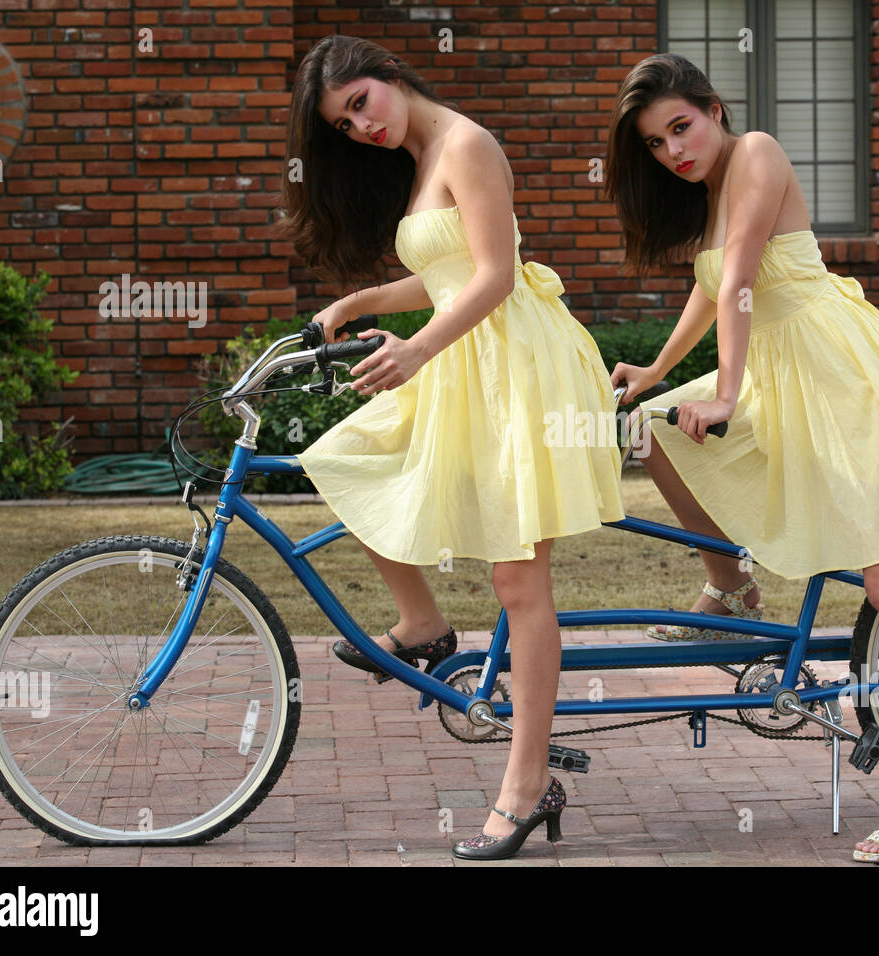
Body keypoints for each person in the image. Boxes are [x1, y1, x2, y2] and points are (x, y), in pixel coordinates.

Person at [605, 53, 879, 863]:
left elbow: (740, 278)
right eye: (657, 143)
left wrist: (728, 394)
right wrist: (662, 373)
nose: (674, 150)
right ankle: (731, 590)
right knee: (656, 428)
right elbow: (711, 287)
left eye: (681, 127)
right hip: (782, 370)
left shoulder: (759, 152)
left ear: (714, 108)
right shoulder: (710, 191)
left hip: (835, 371)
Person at [278, 35, 624, 860]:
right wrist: (361, 299)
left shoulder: (467, 144)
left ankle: (526, 782)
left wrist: (418, 348)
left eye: (361, 103)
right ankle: (424, 622)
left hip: (519, 366)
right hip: (467, 357)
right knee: (342, 461)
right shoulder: (426, 151)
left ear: (390, 75)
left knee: (516, 577)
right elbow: (448, 272)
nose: (360, 128)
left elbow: (497, 274)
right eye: (343, 124)